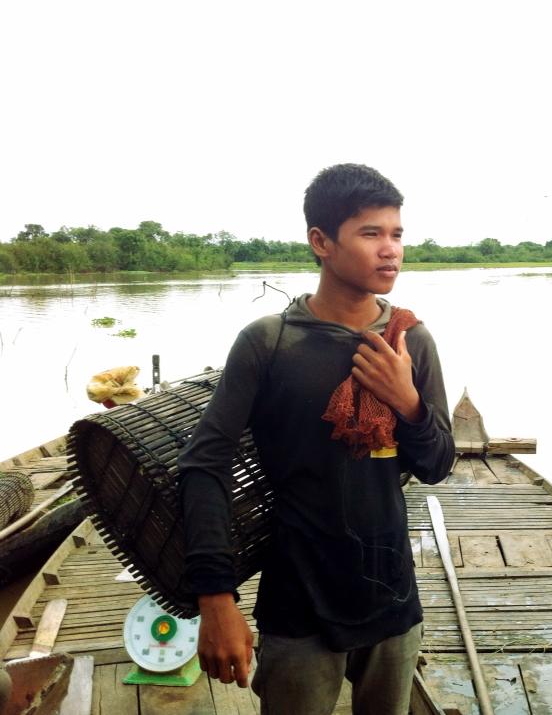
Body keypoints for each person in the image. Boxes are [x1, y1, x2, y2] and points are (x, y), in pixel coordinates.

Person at [178, 163, 454, 714]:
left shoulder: (409, 339)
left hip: (391, 594)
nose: (390, 250)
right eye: (371, 233)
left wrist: (408, 404)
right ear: (321, 241)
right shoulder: (270, 344)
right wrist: (216, 599)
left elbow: (437, 464)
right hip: (298, 600)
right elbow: (204, 466)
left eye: (396, 233)